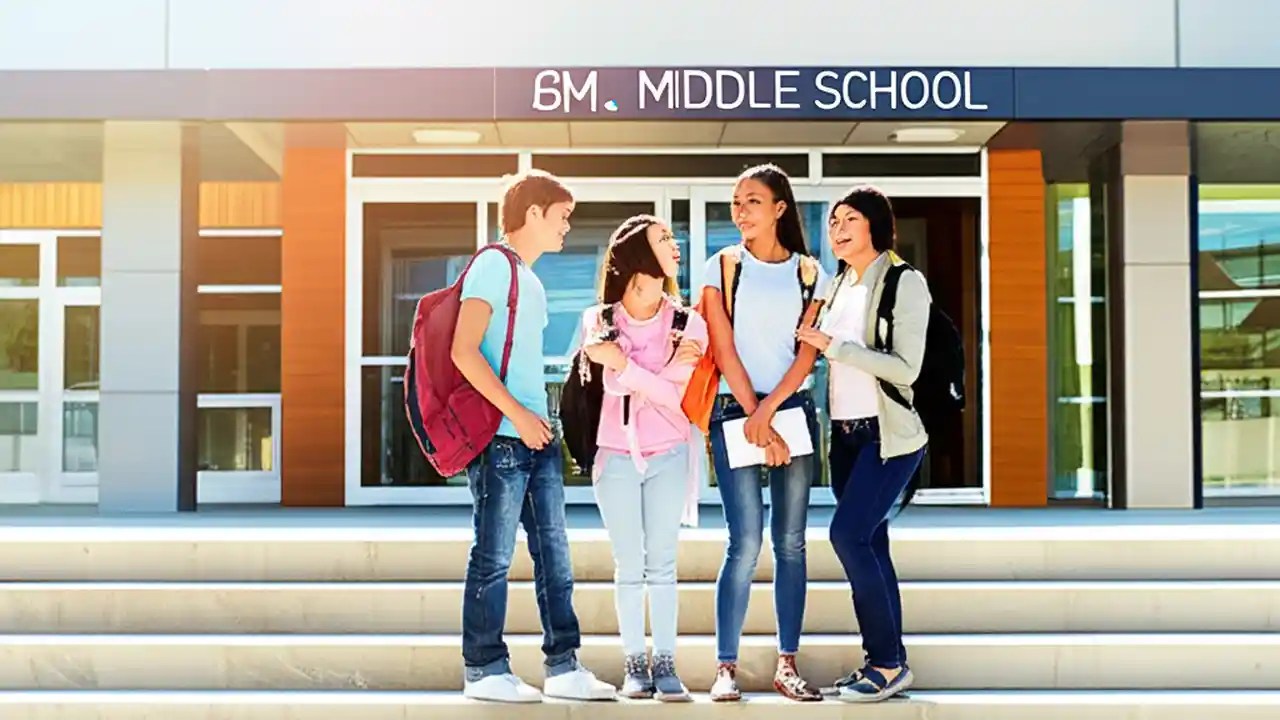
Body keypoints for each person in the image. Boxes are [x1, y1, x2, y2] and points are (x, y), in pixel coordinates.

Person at [451, 169, 617, 704]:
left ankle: (563, 666)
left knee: (554, 556)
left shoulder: (532, 278)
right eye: (562, 216)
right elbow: (462, 350)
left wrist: (537, 420)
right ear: (533, 214)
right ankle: (484, 669)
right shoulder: (493, 267)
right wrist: (517, 415)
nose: (568, 227)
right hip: (502, 437)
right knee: (493, 556)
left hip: (534, 436)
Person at [700, 164, 830, 702]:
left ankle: (787, 664)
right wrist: (755, 415)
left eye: (752, 200)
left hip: (791, 410)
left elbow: (808, 354)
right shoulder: (722, 267)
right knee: (745, 542)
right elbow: (724, 349)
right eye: (735, 201)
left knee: (792, 543)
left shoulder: (810, 272)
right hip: (734, 410)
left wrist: (770, 414)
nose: (741, 210)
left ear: (780, 208)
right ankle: (725, 667)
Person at [796, 185, 930, 703]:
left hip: (888, 435)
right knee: (871, 544)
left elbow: (906, 368)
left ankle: (888, 661)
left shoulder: (903, 282)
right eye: (832, 222)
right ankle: (885, 661)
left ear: (875, 224)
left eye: (849, 218)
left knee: (848, 536)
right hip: (847, 436)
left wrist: (838, 347)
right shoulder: (836, 285)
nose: (838, 228)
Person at [578, 214, 709, 702]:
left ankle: (666, 662)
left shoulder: (687, 321)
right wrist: (646, 375)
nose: (674, 246)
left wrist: (627, 365)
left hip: (671, 453)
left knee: (664, 565)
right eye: (664, 239)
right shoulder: (599, 318)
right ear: (637, 254)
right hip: (614, 456)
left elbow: (675, 397)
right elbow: (613, 383)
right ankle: (635, 663)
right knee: (628, 565)